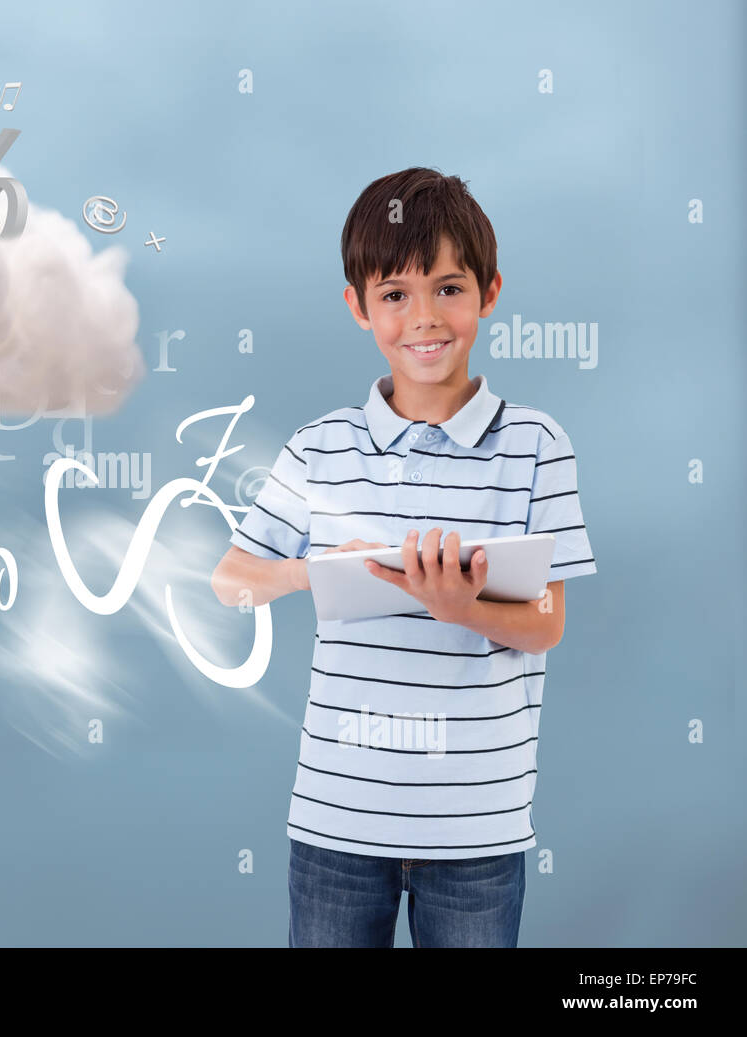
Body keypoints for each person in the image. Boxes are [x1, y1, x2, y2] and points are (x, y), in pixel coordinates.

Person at [211, 167, 597, 947]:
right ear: (359, 306)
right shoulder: (320, 447)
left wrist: (460, 607)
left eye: (448, 288)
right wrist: (317, 569)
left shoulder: (534, 445)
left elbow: (548, 622)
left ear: (489, 293)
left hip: (478, 829)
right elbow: (231, 581)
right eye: (394, 295)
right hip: (337, 821)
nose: (424, 318)